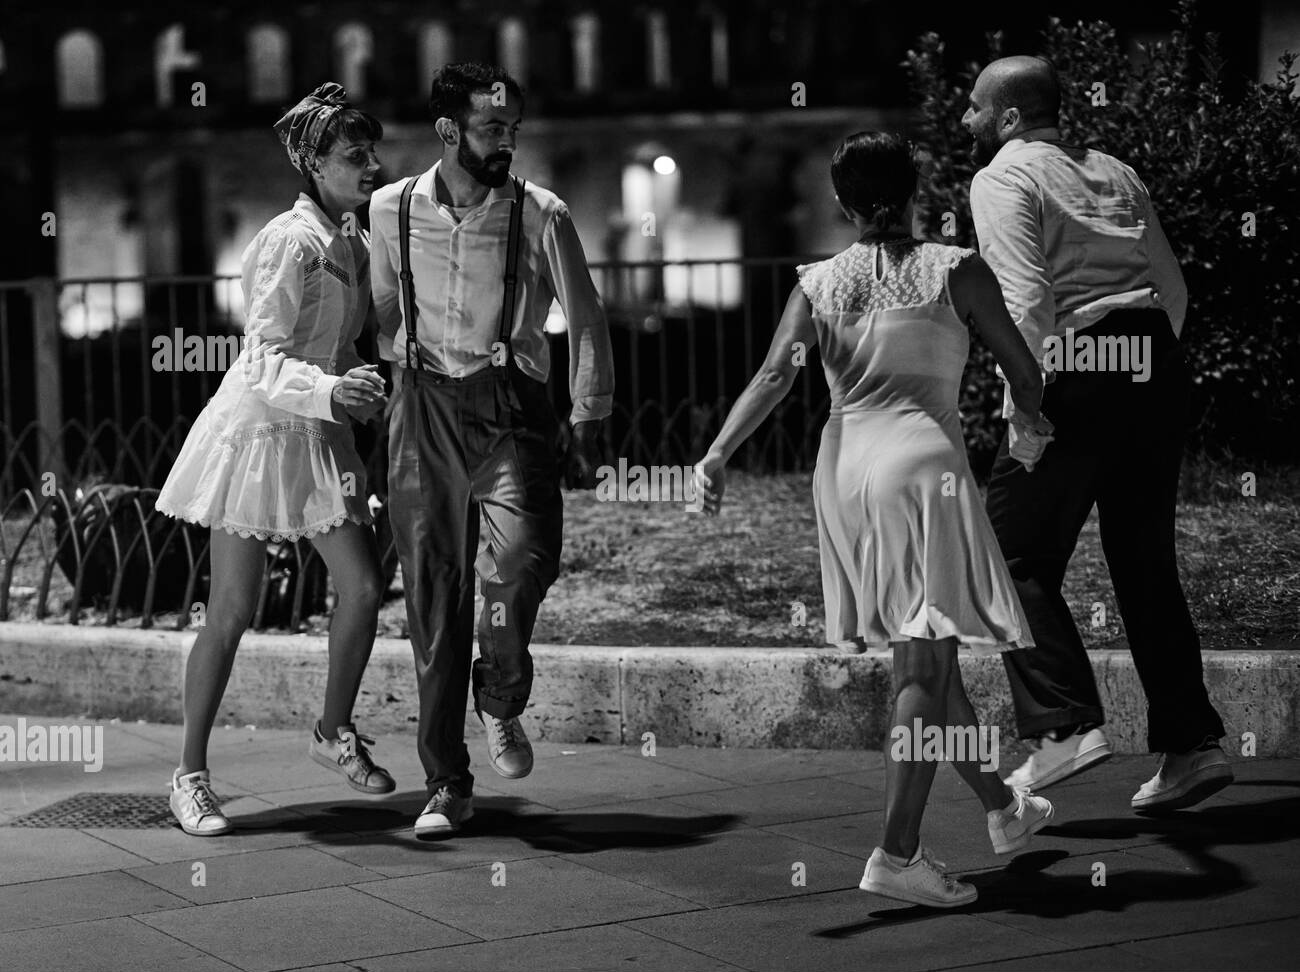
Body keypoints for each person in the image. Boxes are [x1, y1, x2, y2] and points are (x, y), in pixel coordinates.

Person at [694, 132, 1056, 908]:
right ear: (917, 186)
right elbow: (1022, 369)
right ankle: (896, 854)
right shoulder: (954, 268)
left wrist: (717, 455)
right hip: (923, 469)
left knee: (927, 655)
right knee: (924, 663)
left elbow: (771, 376)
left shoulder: (819, 282)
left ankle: (1001, 805)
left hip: (846, 470)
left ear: (841, 203)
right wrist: (1032, 427)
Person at [963, 56, 1233, 812]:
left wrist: (1026, 408)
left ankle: (1062, 728)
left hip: (1076, 364)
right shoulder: (1115, 169)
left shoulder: (1003, 178)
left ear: (1010, 116)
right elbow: (1171, 285)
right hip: (1154, 362)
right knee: (1145, 562)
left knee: (1007, 552)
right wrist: (1146, 363)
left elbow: (1025, 297)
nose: (966, 121)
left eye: (975, 108)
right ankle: (1192, 747)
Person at [369, 63, 615, 839]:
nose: (508, 142)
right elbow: (376, 305)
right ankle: (447, 782)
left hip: (511, 406)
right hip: (421, 406)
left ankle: (500, 697)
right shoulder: (389, 208)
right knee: (434, 599)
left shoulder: (542, 214)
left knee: (520, 565)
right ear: (449, 132)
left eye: (512, 128)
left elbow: (586, 318)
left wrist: (590, 409)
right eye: (492, 130)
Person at [156, 84, 394, 836]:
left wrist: (362, 378)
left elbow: (346, 342)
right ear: (314, 165)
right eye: (356, 156)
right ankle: (188, 776)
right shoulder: (290, 241)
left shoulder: (352, 240)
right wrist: (333, 386)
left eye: (372, 152)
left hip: (320, 432)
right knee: (231, 609)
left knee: (359, 587)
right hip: (260, 433)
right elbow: (260, 359)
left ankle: (331, 733)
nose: (372, 164)